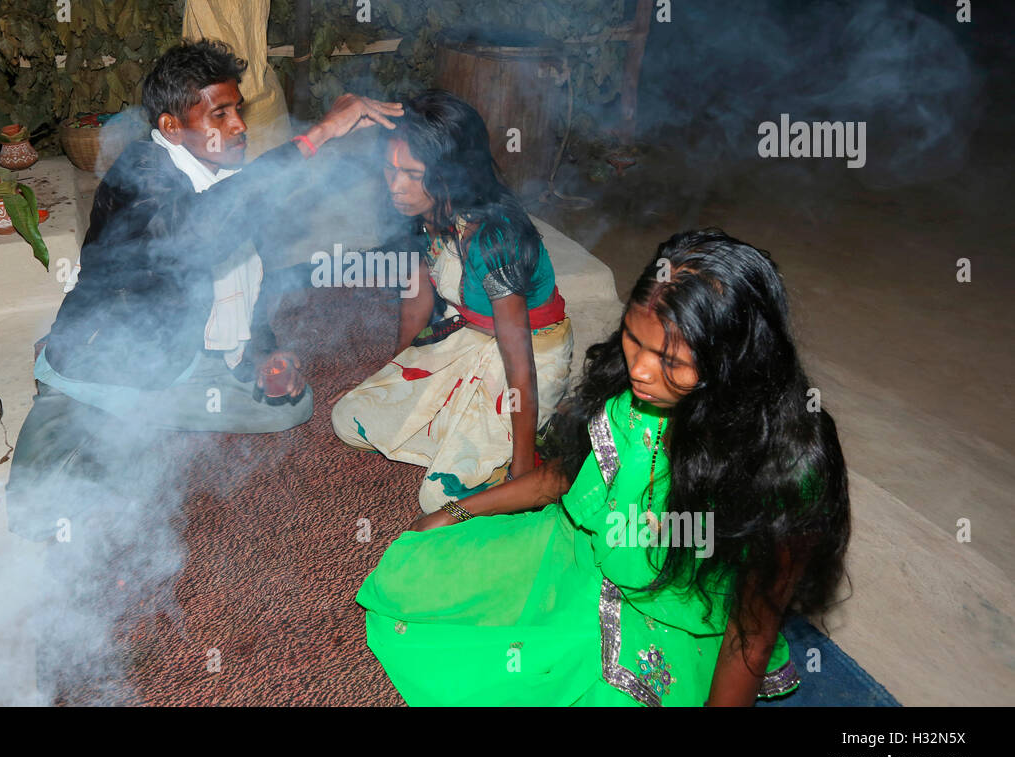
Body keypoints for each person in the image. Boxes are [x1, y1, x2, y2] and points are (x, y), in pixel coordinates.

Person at [356, 229, 852, 706]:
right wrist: (459, 511)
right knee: (404, 575)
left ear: (732, 364)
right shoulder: (629, 395)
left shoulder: (786, 468)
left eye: (669, 360)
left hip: (665, 618)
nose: (639, 369)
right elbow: (563, 476)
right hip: (574, 555)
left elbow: (752, 635)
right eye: (634, 341)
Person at [7, 38, 402, 543]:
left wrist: (264, 354)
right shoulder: (139, 173)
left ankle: (139, 420)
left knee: (291, 407)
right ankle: (76, 401)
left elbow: (245, 278)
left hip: (186, 357)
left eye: (238, 110)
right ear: (172, 125)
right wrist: (318, 134)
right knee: (42, 514)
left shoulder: (229, 178)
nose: (238, 126)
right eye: (219, 115)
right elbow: (198, 232)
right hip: (107, 359)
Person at [331, 90, 573, 515]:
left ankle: (521, 448)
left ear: (452, 175)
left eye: (410, 174)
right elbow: (416, 295)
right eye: (389, 171)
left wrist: (520, 472)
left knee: (441, 498)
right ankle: (464, 434)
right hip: (469, 336)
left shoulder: (493, 237)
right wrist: (399, 370)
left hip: (527, 352)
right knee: (350, 418)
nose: (395, 187)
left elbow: (520, 363)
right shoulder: (421, 215)